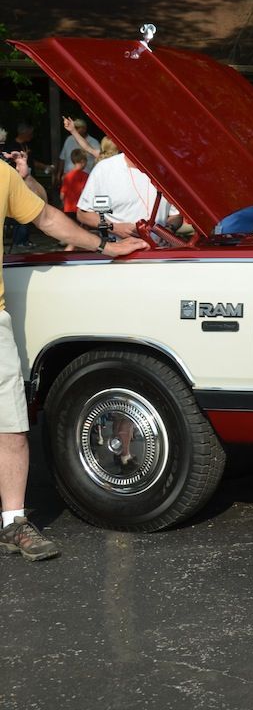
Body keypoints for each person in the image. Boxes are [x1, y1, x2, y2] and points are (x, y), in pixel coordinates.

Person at [0, 150, 146, 560]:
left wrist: (105, 245)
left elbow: (46, 217)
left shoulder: (2, 175)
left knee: (10, 425)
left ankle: (13, 522)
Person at [75, 152, 182, 236]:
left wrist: (169, 229)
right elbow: (83, 214)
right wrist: (115, 228)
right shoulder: (105, 169)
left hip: (160, 253)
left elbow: (176, 215)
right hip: (118, 254)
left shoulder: (167, 170)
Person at [60, 148, 90, 215]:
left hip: (67, 209)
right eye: (86, 161)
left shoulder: (66, 176)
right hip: (80, 210)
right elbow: (85, 194)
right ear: (82, 161)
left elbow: (62, 196)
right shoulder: (85, 176)